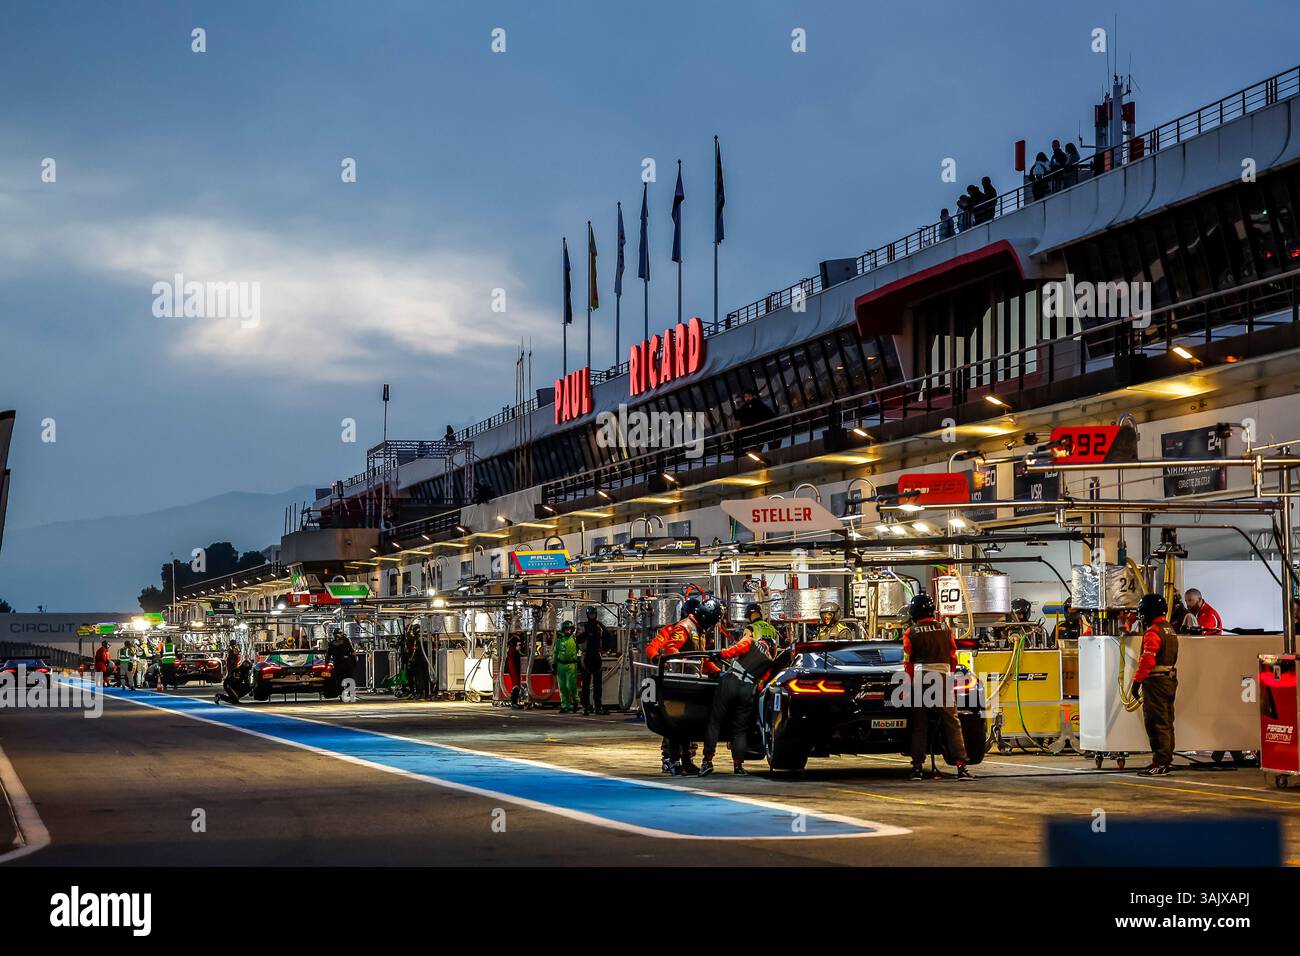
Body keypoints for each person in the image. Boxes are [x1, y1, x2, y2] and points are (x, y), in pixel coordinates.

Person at [645, 596, 722, 774]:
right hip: (678, 683)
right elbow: (669, 649)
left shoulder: (699, 630)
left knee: (689, 723)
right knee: (674, 723)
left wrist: (717, 671)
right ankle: (671, 759)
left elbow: (701, 656)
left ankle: (687, 759)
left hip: (693, 681)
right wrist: (664, 660)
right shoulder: (682, 627)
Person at [902, 593, 973, 781]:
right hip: (942, 678)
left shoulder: (911, 632)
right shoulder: (945, 629)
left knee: (920, 724)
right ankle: (961, 766)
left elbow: (908, 662)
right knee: (952, 722)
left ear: (914, 611)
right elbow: (953, 657)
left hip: (920, 678)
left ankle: (917, 768)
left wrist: (908, 684)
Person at [701, 614, 776, 776]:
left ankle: (707, 761)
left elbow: (732, 652)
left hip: (731, 682)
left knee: (715, 722)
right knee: (740, 730)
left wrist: (719, 655)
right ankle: (738, 766)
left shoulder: (750, 642)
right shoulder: (769, 662)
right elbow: (761, 684)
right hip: (747, 691)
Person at [1130, 593, 1179, 776]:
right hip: (1169, 680)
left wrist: (1137, 681)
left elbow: (1147, 660)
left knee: (1156, 722)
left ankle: (1160, 762)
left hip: (1156, 682)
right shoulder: (1169, 629)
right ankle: (1166, 759)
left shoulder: (1153, 632)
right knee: (1167, 722)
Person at [578, 607, 611, 715]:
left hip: (596, 655)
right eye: (590, 614)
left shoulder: (600, 626)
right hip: (586, 656)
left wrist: (605, 649)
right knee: (586, 684)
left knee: (598, 684)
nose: (592, 616)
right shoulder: (583, 626)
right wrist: (586, 633)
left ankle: (598, 706)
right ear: (587, 615)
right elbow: (578, 639)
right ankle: (586, 707)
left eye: (593, 614)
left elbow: (607, 637)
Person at [733, 390, 776, 456]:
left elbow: (755, 419)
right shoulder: (738, 412)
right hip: (759, 432)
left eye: (738, 402)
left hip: (768, 429)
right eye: (735, 403)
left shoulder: (754, 406)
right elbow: (737, 426)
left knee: (771, 449)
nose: (737, 404)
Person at [551, 621, 580, 713]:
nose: (568, 631)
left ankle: (576, 702)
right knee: (562, 687)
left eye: (569, 629)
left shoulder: (575, 639)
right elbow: (555, 653)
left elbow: (580, 649)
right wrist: (554, 664)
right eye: (566, 629)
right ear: (563, 630)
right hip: (560, 665)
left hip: (571, 665)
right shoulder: (559, 640)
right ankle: (565, 705)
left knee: (571, 686)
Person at [325, 628, 356, 699]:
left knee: (339, 680)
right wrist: (354, 662)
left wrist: (326, 665)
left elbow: (328, 656)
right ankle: (351, 695)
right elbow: (352, 652)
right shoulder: (346, 640)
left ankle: (342, 695)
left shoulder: (331, 644)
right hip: (347, 662)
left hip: (338, 663)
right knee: (349, 678)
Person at [215, 639, 248, 705]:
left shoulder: (233, 649)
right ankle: (221, 696)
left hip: (232, 666)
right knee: (234, 701)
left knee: (234, 699)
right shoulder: (233, 650)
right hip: (229, 683)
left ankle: (225, 696)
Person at [406, 623, 429, 700]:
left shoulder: (413, 639)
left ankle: (420, 693)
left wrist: (410, 660)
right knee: (424, 677)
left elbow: (412, 650)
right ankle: (426, 693)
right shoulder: (425, 638)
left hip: (417, 661)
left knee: (419, 678)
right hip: (425, 660)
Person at [505, 636, 523, 708]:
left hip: (515, 666)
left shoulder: (512, 650)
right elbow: (513, 655)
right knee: (516, 683)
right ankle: (514, 702)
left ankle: (515, 702)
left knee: (517, 683)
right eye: (518, 644)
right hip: (513, 667)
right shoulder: (512, 650)